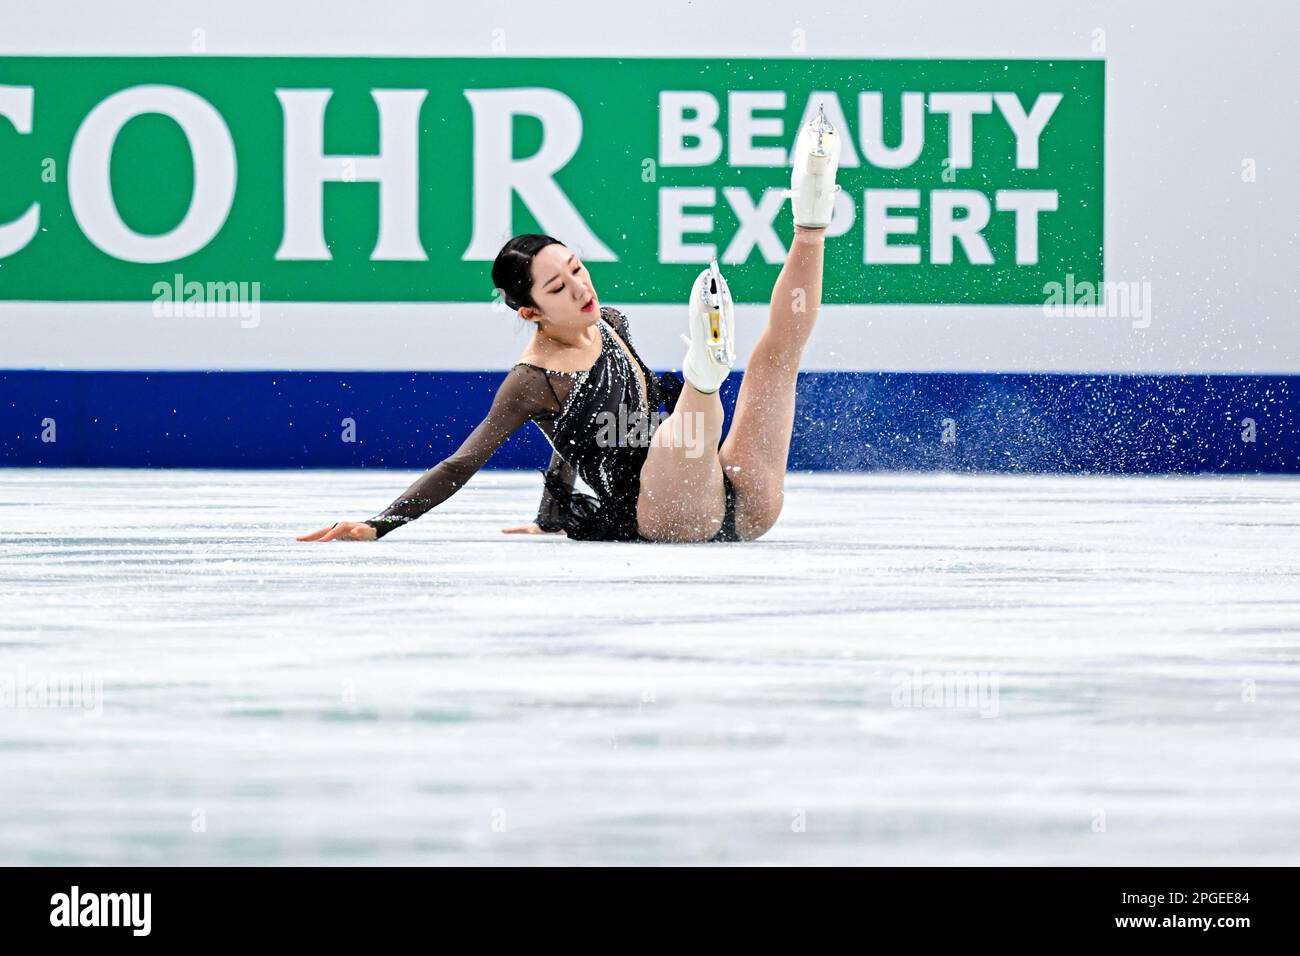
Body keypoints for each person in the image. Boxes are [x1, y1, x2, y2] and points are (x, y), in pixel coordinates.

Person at [298, 106, 842, 544]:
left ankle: (810, 218)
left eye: (577, 269)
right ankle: (703, 374)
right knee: (698, 415)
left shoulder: (610, 321)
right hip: (667, 512)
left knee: (775, 363)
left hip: (739, 500)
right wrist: (383, 522)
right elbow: (462, 462)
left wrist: (551, 514)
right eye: (558, 288)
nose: (581, 289)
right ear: (529, 312)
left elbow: (568, 440)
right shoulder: (531, 379)